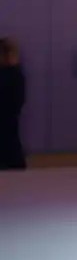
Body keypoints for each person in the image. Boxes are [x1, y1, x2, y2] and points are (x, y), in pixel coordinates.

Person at [0, 38, 26, 171]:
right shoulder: (14, 73)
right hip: (9, 116)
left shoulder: (13, 73)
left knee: (9, 141)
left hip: (7, 116)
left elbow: (17, 99)